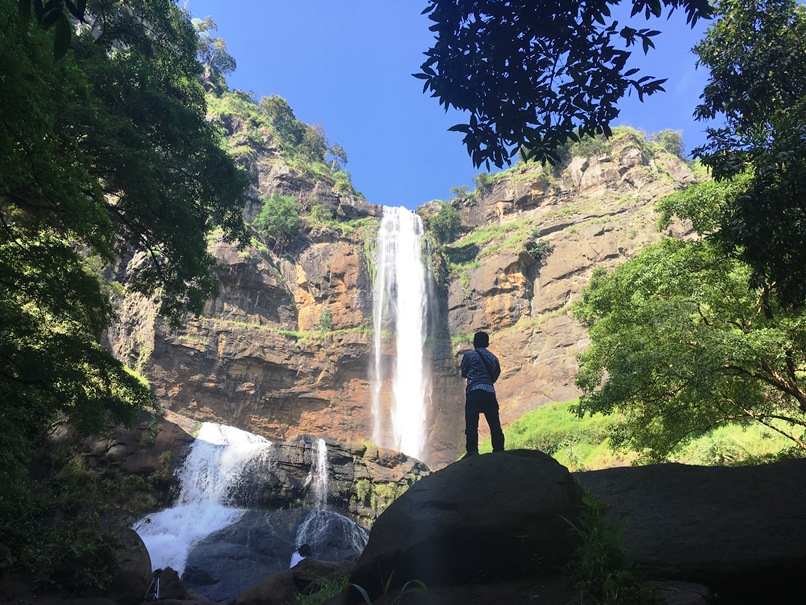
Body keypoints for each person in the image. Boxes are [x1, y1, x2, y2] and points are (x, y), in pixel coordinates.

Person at [460, 331, 505, 456]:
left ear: (474, 343)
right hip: (489, 392)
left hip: (474, 391)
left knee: (471, 422)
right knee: (494, 423)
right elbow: (495, 375)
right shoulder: (493, 358)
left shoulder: (469, 355)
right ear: (487, 343)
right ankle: (499, 449)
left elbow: (463, 372)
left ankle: (472, 451)